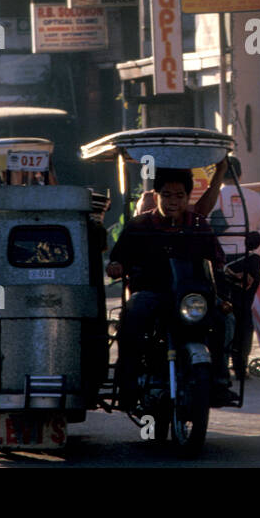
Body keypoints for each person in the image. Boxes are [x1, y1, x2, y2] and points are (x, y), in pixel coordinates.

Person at [107, 168, 232, 408]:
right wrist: (116, 265)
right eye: (167, 195)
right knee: (132, 313)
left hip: (192, 298)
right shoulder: (138, 225)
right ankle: (129, 384)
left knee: (226, 319)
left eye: (179, 196)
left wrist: (228, 275)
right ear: (156, 196)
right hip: (152, 294)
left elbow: (217, 261)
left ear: (188, 198)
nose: (173, 202)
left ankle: (219, 379)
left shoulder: (199, 225)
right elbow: (118, 258)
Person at [208, 156, 260, 379]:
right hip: (249, 262)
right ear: (240, 175)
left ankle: (220, 363)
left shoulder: (211, 198)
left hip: (219, 263)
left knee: (220, 311)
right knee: (244, 313)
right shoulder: (255, 198)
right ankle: (240, 365)